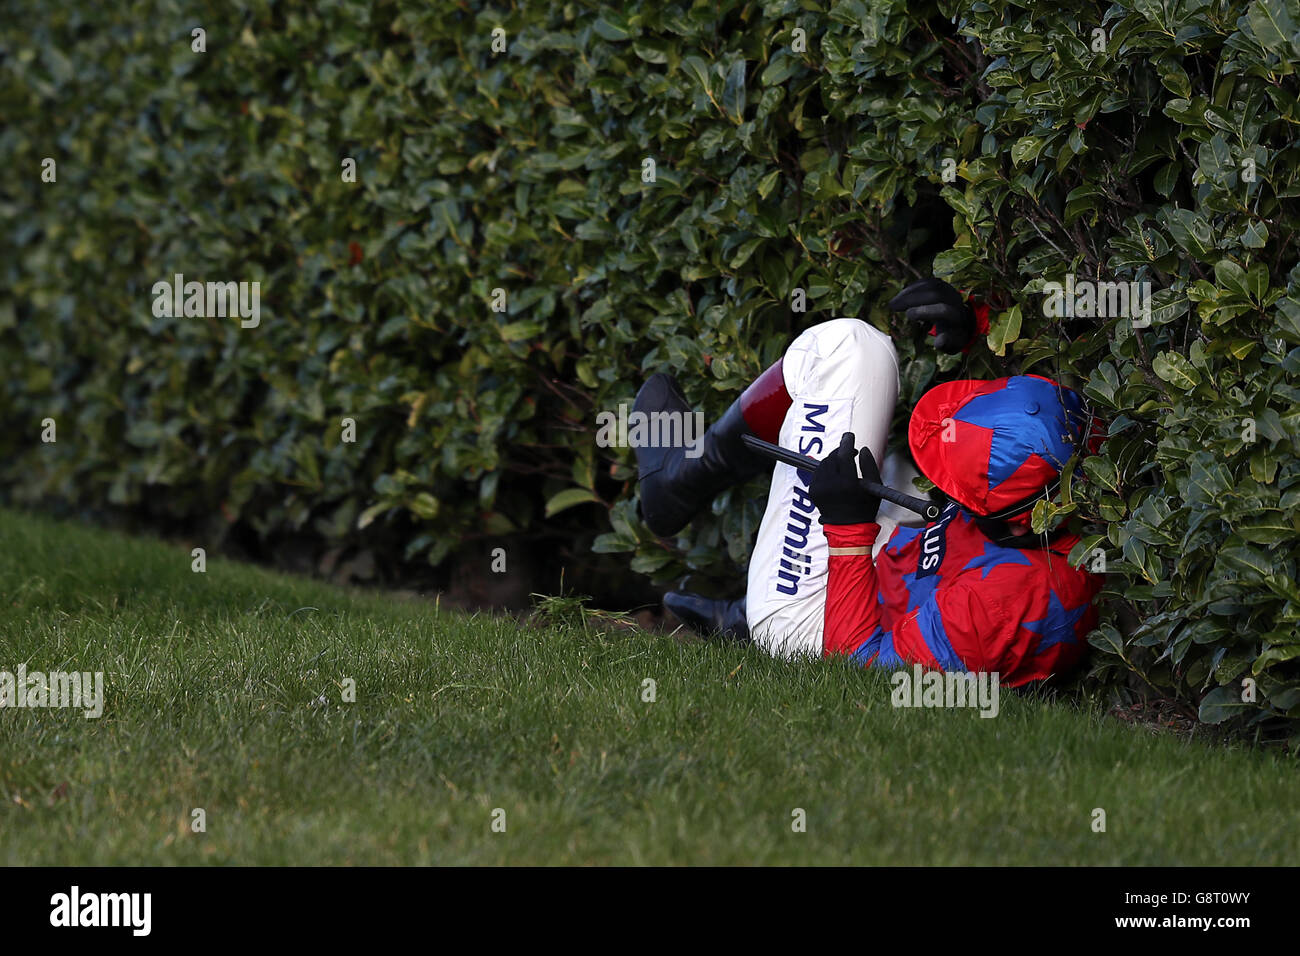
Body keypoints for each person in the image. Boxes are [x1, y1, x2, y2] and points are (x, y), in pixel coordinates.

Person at [633, 279, 1103, 687]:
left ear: (1016, 527)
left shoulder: (1000, 609)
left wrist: (847, 528)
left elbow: (856, 674)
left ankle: (757, 604)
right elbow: (1021, 434)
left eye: (956, 490)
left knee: (841, 349)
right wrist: (975, 327)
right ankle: (704, 517)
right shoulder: (1086, 446)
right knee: (862, 356)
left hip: (826, 634)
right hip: (911, 563)